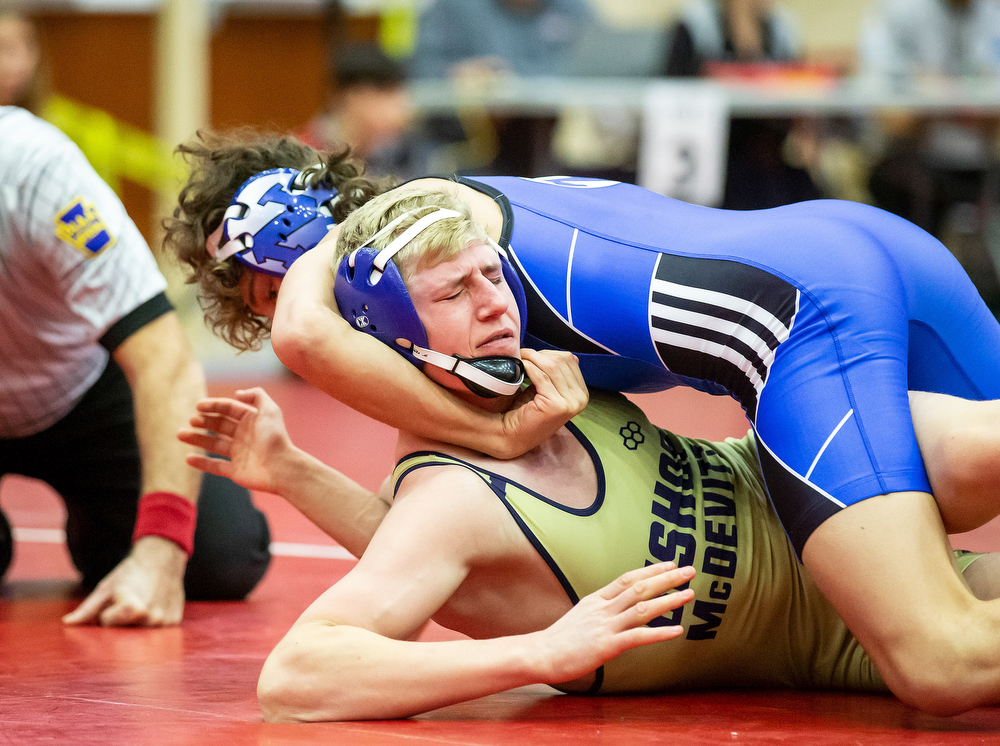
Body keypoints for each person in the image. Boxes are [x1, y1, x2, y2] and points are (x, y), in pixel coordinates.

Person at [178, 203, 1000, 720]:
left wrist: (293, 472)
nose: (498, 305)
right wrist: (540, 655)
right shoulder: (447, 503)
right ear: (390, 335)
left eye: (490, 277)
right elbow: (295, 676)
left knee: (975, 451)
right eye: (455, 295)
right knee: (942, 661)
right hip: (827, 628)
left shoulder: (554, 378)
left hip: (783, 479)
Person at [0, 107, 271, 626]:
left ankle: (102, 529)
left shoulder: (39, 171)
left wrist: (162, 546)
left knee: (219, 558)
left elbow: (163, 359)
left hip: (78, 389)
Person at [163, 128, 391, 352]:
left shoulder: (410, 263)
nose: (282, 321)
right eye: (270, 316)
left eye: (273, 293)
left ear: (293, 222)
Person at [663, 0, 822, 209]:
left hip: (769, 156)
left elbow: (797, 84)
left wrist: (806, 130)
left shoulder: (779, 27)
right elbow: (673, 93)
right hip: (713, 155)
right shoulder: (696, 25)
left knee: (808, 193)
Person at [298, 42, 429, 183]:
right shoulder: (302, 156)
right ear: (352, 96)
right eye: (386, 92)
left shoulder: (395, 153)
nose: (401, 105)